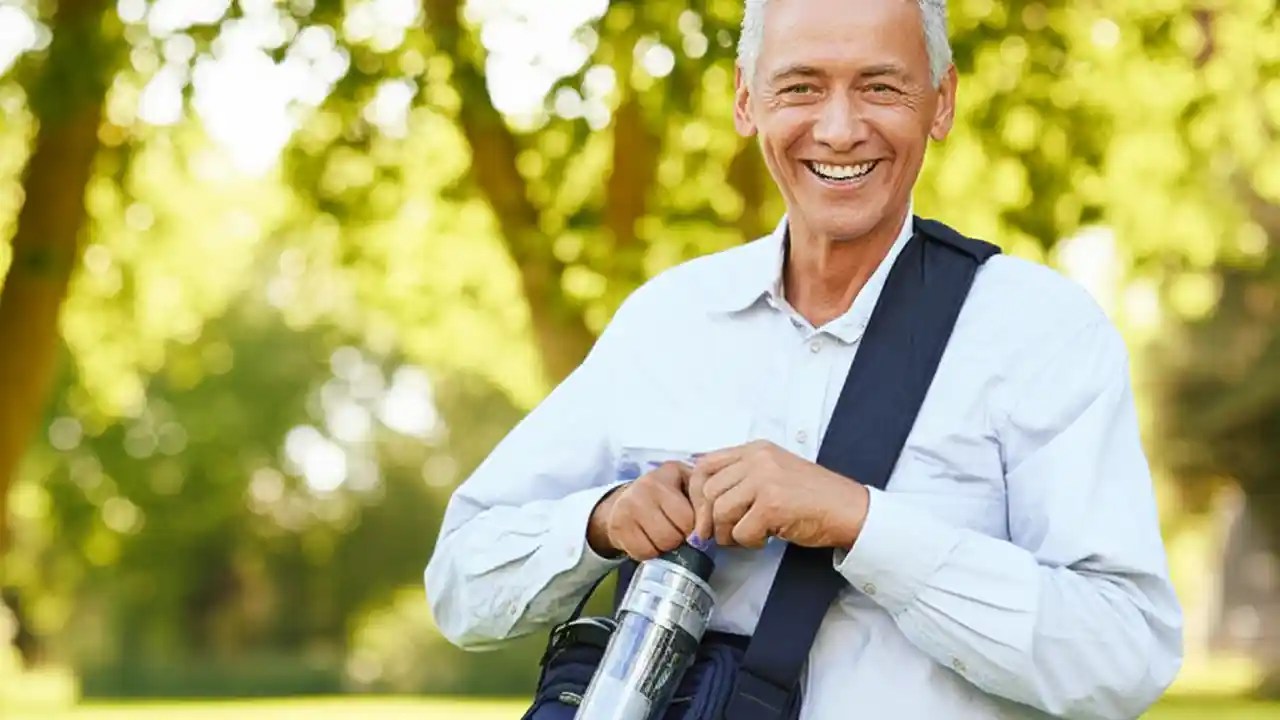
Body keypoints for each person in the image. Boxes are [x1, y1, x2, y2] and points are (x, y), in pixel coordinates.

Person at [424, 0, 1184, 717]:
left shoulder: (1040, 332)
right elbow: (462, 586)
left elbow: (1123, 656)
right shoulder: (666, 321)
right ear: (747, 100)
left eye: (881, 87)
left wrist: (859, 523)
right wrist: (603, 520)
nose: (841, 127)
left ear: (941, 101)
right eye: (800, 87)